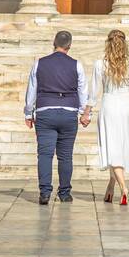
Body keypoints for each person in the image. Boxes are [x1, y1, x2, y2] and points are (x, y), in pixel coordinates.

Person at [24, 31, 90, 204]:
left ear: (54, 43)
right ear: (70, 45)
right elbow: (83, 90)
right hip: (69, 111)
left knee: (45, 155)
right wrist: (84, 113)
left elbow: (32, 89)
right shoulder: (77, 65)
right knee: (65, 156)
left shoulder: (39, 63)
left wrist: (28, 112)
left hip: (46, 111)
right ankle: (65, 193)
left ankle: (45, 192)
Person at [91, 29, 129, 205]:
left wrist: (87, 111)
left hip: (109, 106)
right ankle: (110, 186)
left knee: (112, 148)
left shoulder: (100, 64)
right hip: (126, 108)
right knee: (119, 148)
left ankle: (123, 188)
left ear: (108, 43)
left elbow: (93, 91)